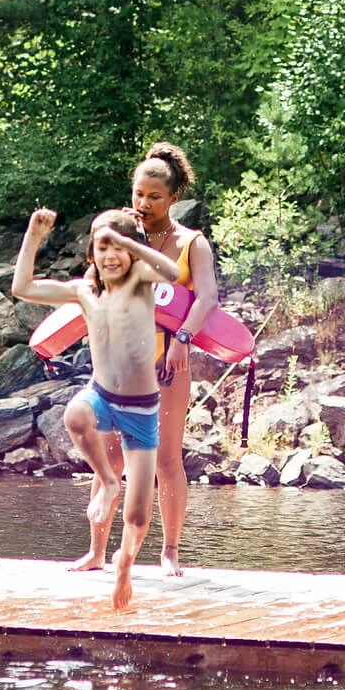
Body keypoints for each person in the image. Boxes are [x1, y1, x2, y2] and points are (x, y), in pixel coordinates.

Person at [12, 206, 180, 610]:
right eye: (103, 246)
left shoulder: (140, 280)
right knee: (74, 415)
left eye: (119, 247)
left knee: (138, 517)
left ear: (132, 251)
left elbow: (172, 274)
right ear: (91, 252)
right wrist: (33, 237)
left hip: (141, 410)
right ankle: (107, 481)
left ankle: (124, 564)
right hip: (103, 395)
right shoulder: (83, 291)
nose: (111, 255)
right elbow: (23, 287)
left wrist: (130, 242)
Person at [130, 142, 220, 577]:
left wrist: (184, 337)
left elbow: (208, 298)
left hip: (169, 359)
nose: (143, 204)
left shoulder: (192, 243)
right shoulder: (121, 234)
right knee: (112, 457)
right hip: (121, 360)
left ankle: (169, 550)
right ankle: (97, 550)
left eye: (154, 197)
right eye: (138, 194)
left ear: (173, 198)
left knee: (166, 457)